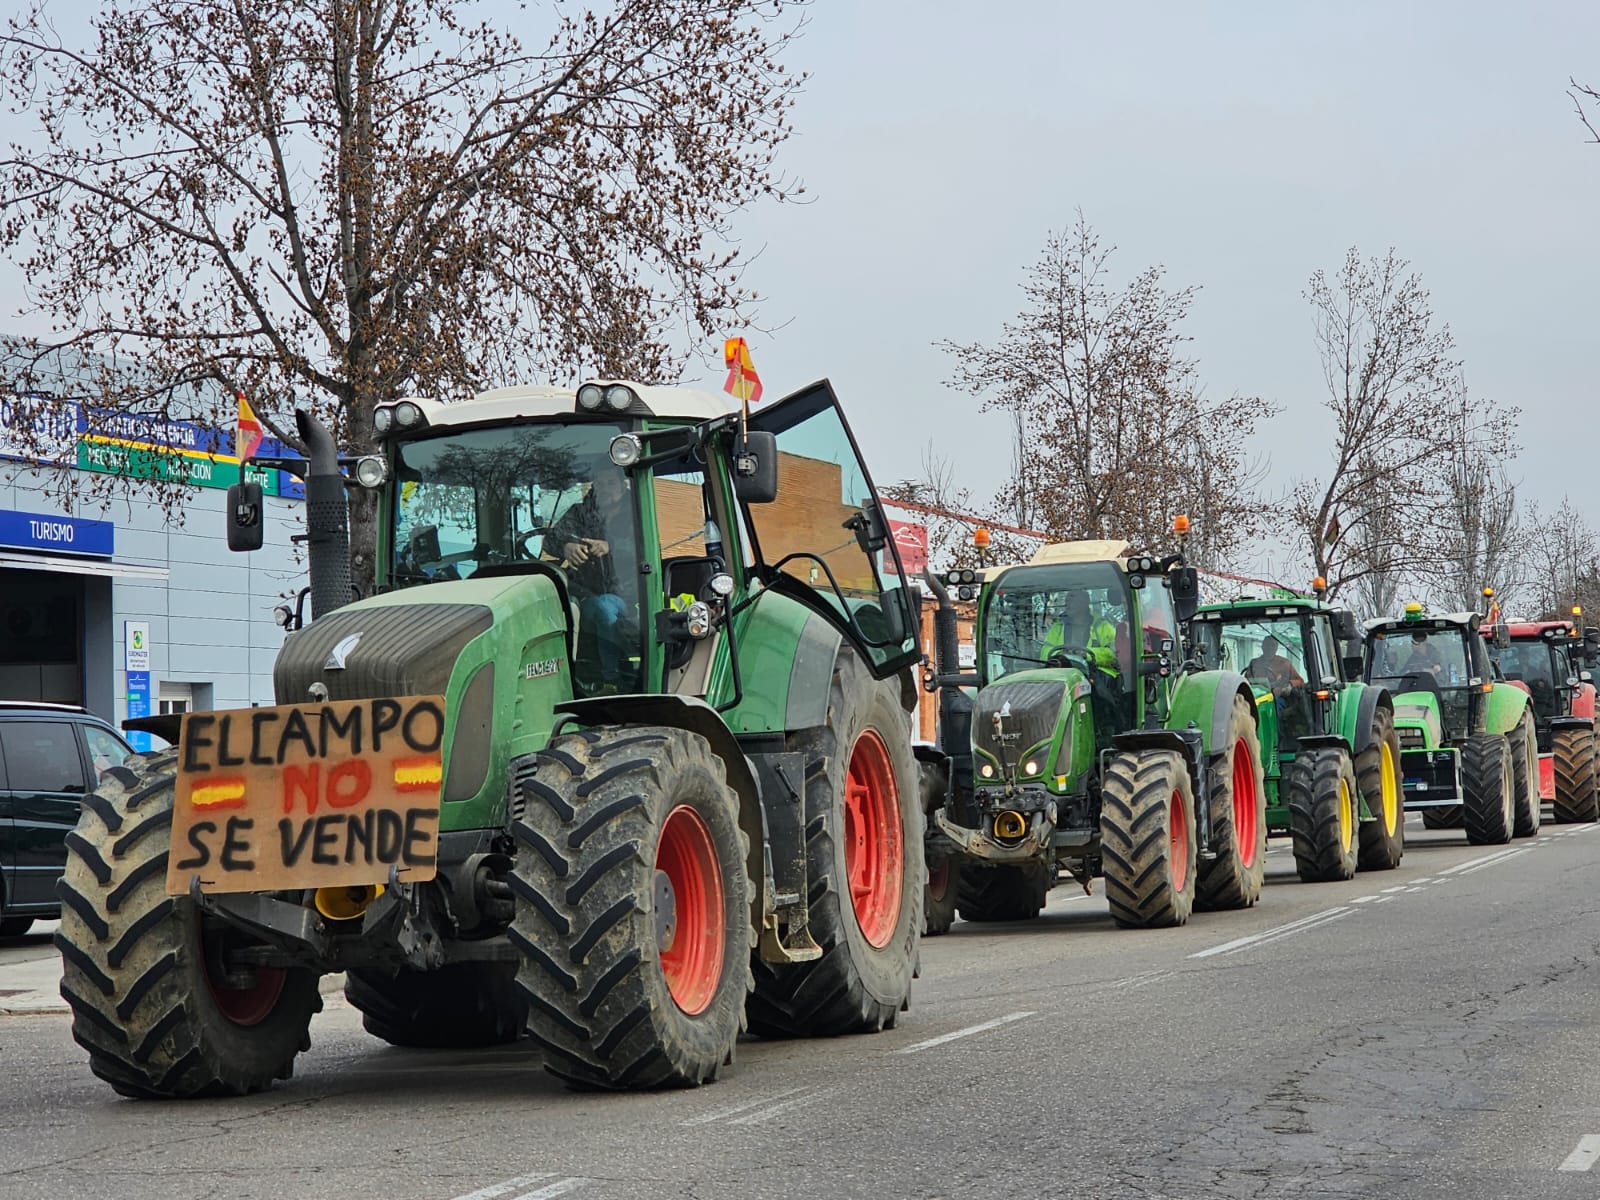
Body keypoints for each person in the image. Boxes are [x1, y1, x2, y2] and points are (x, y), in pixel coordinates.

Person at [548, 467, 638, 688]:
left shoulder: (637, 512)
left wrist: (610, 546)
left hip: (632, 595)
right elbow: (550, 540)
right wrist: (566, 546)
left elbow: (645, 547)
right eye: (599, 485)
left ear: (622, 486)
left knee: (604, 607)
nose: (604, 489)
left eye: (610, 483)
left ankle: (612, 678)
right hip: (585, 594)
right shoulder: (580, 513)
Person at [1042, 591, 1118, 675]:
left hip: (1096, 676)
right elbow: (1044, 652)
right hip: (1064, 674)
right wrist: (1059, 654)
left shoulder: (1102, 626)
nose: (1067, 603)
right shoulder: (1058, 627)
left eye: (1072, 598)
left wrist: (1086, 654)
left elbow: (1114, 653)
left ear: (1085, 603)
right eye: (1067, 600)